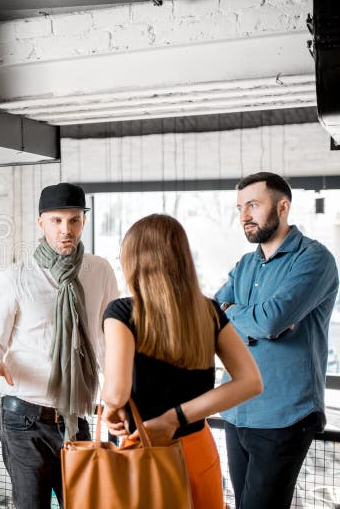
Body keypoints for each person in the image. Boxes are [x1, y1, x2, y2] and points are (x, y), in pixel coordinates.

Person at [0, 182, 119, 509]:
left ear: (83, 221)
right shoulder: (16, 277)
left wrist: (117, 394)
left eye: (74, 220)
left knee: (84, 504)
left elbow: (109, 339)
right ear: (41, 223)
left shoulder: (100, 271)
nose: (66, 229)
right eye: (56, 221)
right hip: (24, 419)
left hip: (76, 416)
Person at [101, 214, 263, 508]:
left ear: (133, 261)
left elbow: (116, 392)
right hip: (198, 449)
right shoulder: (210, 312)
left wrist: (110, 409)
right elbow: (251, 381)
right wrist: (175, 418)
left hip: (144, 451)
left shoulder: (122, 312)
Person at [215, 172, 339, 509]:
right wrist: (240, 314)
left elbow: (270, 322)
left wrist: (234, 311)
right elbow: (212, 316)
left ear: (282, 207)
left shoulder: (314, 260)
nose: (244, 216)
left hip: (283, 413)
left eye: (253, 205)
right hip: (237, 411)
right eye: (240, 207)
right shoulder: (245, 264)